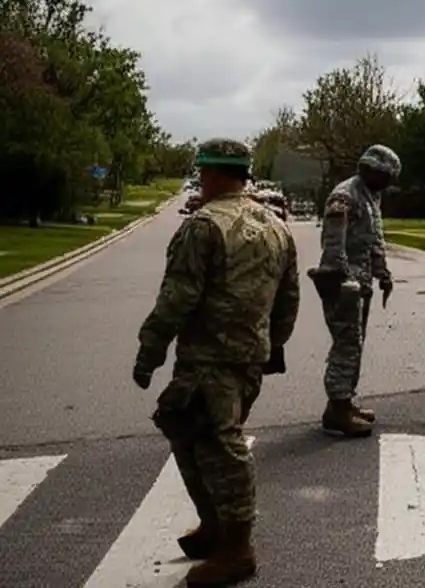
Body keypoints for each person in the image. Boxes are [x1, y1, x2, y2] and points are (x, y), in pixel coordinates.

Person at [133, 138, 299, 587]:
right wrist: (269, 346)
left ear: (211, 174)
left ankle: (237, 549)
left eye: (202, 173)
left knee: (221, 448)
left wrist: (149, 352)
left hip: (209, 359)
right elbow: (288, 300)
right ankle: (215, 528)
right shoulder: (276, 226)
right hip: (248, 359)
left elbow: (177, 298)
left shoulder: (204, 226)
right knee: (186, 432)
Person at [309, 144, 401, 438]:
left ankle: (345, 400)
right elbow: (333, 246)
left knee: (356, 343)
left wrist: (382, 273)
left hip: (361, 282)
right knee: (346, 344)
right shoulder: (344, 196)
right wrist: (345, 282)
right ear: (369, 170)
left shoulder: (372, 196)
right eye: (384, 177)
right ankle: (337, 409)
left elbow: (375, 238)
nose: (386, 184)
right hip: (344, 284)